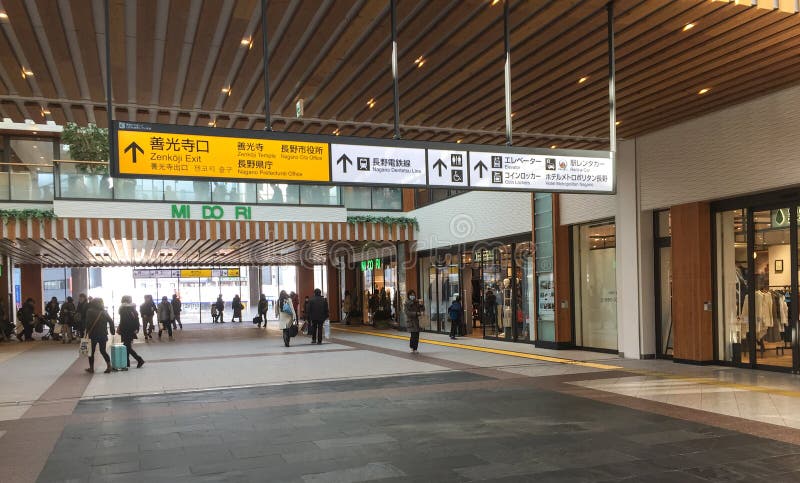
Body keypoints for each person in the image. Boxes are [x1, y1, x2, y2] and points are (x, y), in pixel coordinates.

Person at [84, 297, 115, 374]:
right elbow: (111, 321)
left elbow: (87, 323)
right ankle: (109, 365)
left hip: (93, 334)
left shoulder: (90, 311)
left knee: (91, 352)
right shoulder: (104, 312)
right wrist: (112, 331)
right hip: (103, 334)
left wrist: (86, 332)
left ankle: (91, 368)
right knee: (103, 351)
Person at [118, 295, 144, 368]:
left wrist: (122, 329)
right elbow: (136, 319)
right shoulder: (132, 308)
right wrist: (136, 328)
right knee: (127, 346)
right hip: (130, 330)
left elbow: (125, 321)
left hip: (126, 330)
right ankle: (127, 363)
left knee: (127, 347)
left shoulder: (124, 309)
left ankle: (139, 359)